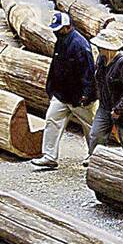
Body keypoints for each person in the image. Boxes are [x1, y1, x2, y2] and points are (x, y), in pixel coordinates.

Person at [31, 11, 96, 170]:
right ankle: (49, 156)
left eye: (58, 29)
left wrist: (86, 95)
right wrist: (50, 87)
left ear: (68, 27)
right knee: (52, 120)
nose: (55, 32)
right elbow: (55, 65)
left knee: (91, 126)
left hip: (80, 96)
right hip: (61, 94)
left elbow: (89, 73)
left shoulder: (80, 45)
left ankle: (95, 155)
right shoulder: (61, 40)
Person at [88, 31, 123, 158]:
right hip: (104, 106)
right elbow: (97, 80)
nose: (99, 49)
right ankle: (96, 159)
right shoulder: (101, 59)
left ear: (109, 48)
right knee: (96, 135)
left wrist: (119, 110)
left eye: (101, 47)